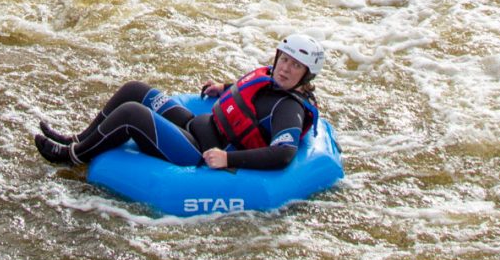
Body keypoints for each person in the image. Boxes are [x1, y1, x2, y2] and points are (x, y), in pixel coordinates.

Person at [34, 34, 324, 171]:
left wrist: (227, 159)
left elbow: (284, 153)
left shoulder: (289, 108)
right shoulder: (271, 77)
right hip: (198, 126)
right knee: (135, 90)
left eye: (295, 66)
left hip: (201, 151)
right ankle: (78, 138)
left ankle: (72, 156)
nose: (285, 68)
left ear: (305, 75)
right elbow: (249, 92)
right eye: (284, 60)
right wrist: (223, 87)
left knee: (132, 114)